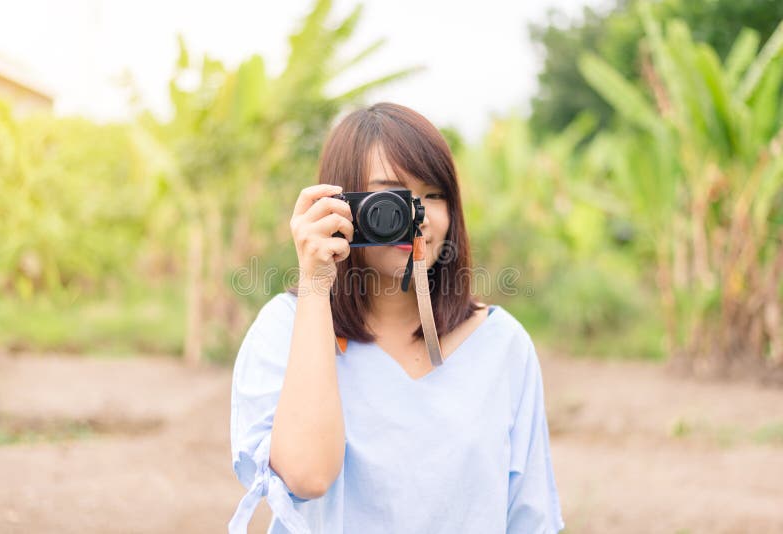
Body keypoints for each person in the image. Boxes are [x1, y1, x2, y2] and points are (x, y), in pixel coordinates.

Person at [229, 103, 565, 533]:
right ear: (340, 206)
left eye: (433, 195)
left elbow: (530, 518)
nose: (417, 215)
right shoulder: (285, 328)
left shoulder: (502, 344)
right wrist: (315, 284)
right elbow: (308, 475)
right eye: (393, 196)